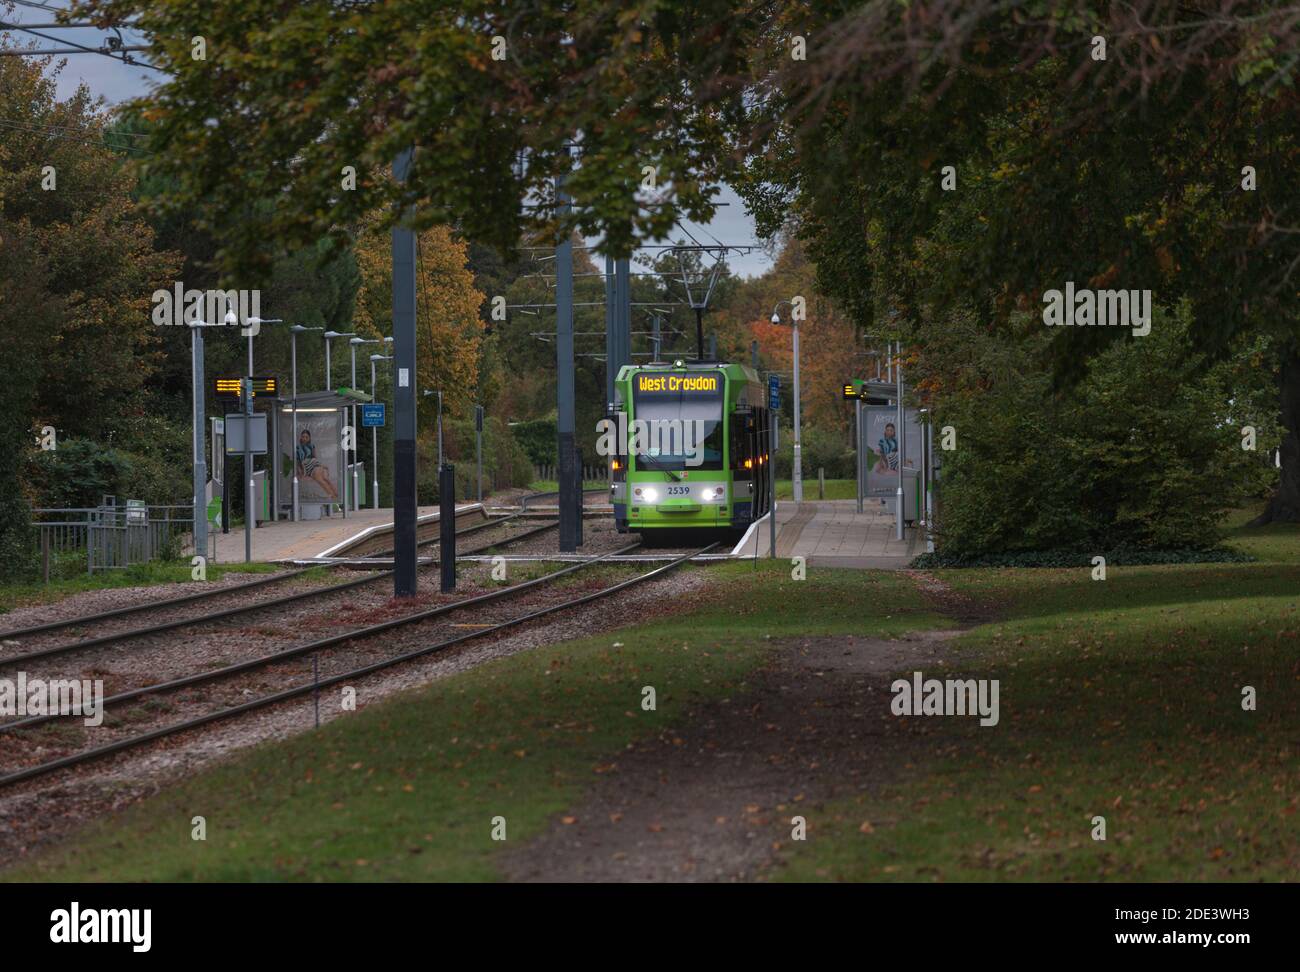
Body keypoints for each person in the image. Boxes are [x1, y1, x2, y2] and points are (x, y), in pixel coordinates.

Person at [296, 429, 339, 500]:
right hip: (305, 467)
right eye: (303, 437)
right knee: (324, 479)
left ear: (309, 438)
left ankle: (333, 496)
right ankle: (334, 495)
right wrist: (300, 471)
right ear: (301, 437)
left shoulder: (311, 445)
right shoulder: (298, 447)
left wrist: (318, 464)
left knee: (321, 479)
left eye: (306, 437)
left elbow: (314, 457)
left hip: (313, 464)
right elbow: (298, 460)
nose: (305, 438)